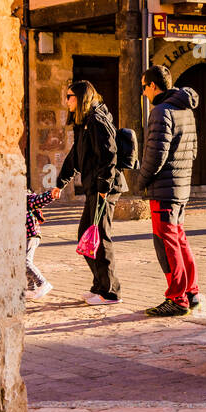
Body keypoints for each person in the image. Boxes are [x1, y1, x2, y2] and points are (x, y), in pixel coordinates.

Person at [136, 65, 203, 318]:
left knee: (167, 242)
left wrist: (141, 181)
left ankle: (177, 298)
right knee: (180, 239)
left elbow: (155, 155)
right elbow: (194, 149)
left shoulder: (161, 111)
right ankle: (192, 291)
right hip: (181, 186)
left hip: (163, 189)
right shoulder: (185, 109)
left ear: (153, 86)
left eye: (144, 87)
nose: (143, 93)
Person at [57, 80, 127, 305]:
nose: (67, 101)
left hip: (104, 189)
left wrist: (104, 188)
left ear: (81, 98)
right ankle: (99, 285)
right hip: (94, 188)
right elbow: (76, 155)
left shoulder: (97, 120)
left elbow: (110, 155)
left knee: (100, 237)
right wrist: (61, 182)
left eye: (70, 96)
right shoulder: (84, 122)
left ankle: (110, 292)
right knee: (86, 237)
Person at [25, 185, 62, 300]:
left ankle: (42, 283)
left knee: (24, 262)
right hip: (22, 237)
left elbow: (38, 200)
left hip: (31, 236)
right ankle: (30, 289)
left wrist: (50, 195)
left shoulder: (25, 197)